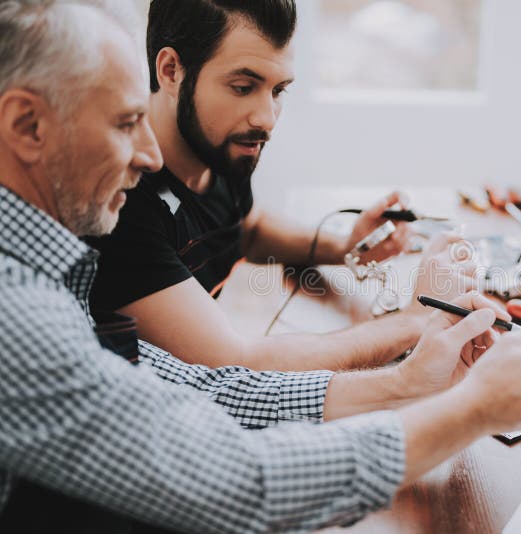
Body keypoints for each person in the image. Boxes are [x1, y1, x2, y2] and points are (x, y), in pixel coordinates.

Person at [0, 1, 521, 532]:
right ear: (28, 127)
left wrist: (404, 380)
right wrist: (471, 407)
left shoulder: (53, 266)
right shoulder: (18, 312)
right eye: (125, 124)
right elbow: (240, 481)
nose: (148, 154)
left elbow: (205, 387)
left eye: (278, 90)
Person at [86, 0, 469, 372]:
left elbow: (246, 228)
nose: (266, 119)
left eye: (278, 90)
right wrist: (412, 321)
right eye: (242, 87)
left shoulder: (216, 148)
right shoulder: (120, 200)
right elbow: (237, 363)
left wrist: (346, 246)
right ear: (171, 71)